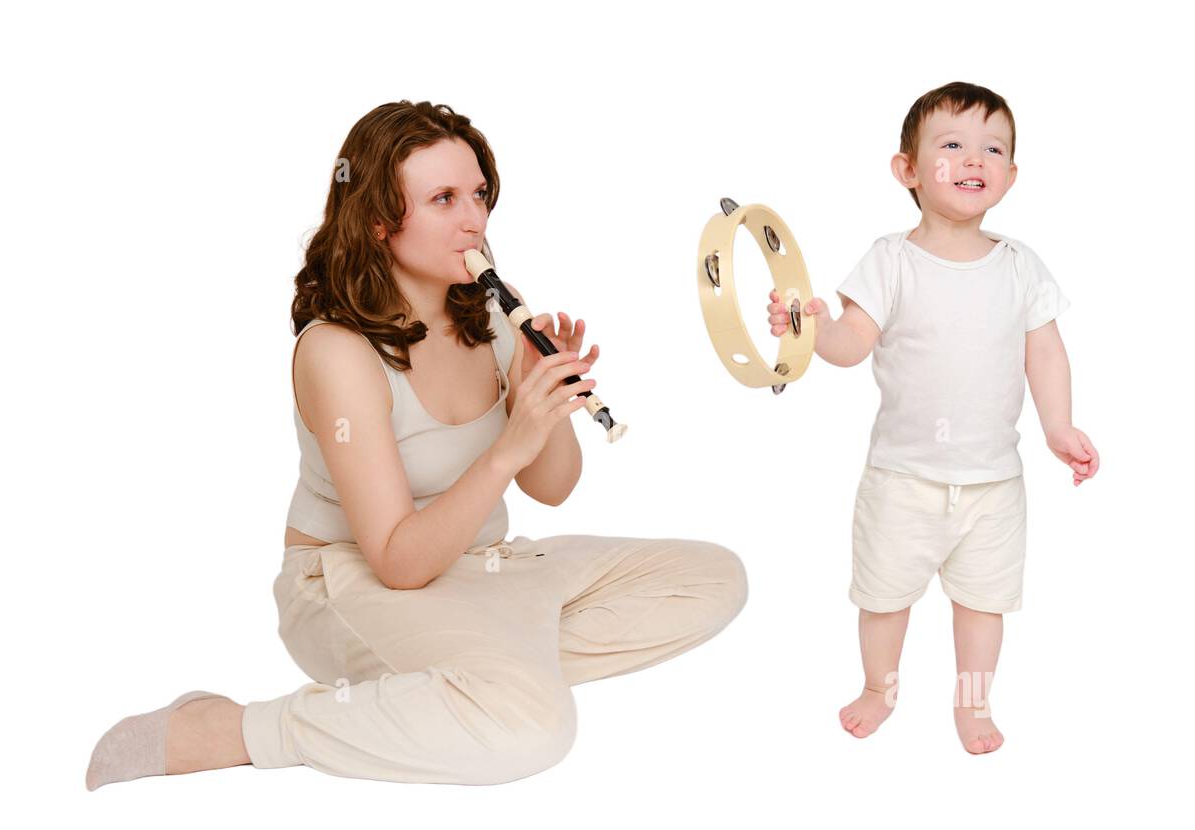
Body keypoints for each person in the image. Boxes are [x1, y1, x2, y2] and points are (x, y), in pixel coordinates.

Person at [86, 100, 748, 789]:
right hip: (349, 582)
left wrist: (541, 402)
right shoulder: (337, 352)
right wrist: (505, 448)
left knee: (714, 578)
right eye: (443, 199)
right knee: (533, 727)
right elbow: (398, 562)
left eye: (479, 194)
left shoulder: (495, 307)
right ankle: (240, 729)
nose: (475, 220)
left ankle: (479, 669)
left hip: (478, 569)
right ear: (378, 220)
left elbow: (553, 488)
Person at [766, 82, 1099, 754]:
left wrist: (1059, 427)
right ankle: (877, 689)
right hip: (903, 480)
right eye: (952, 145)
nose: (974, 159)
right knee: (884, 599)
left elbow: (1046, 352)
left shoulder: (1020, 266)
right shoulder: (890, 260)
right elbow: (850, 346)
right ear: (908, 170)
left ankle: (973, 704)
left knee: (984, 606)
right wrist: (810, 328)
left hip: (994, 483)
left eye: (993, 148)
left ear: (1010, 174)